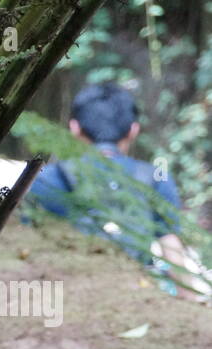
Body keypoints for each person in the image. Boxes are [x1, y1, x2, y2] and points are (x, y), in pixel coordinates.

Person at [27, 83, 208, 299]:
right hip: (135, 295)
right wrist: (190, 301)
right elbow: (171, 248)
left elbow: (30, 248)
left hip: (64, 296)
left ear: (74, 127)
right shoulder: (156, 178)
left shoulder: (46, 179)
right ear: (134, 130)